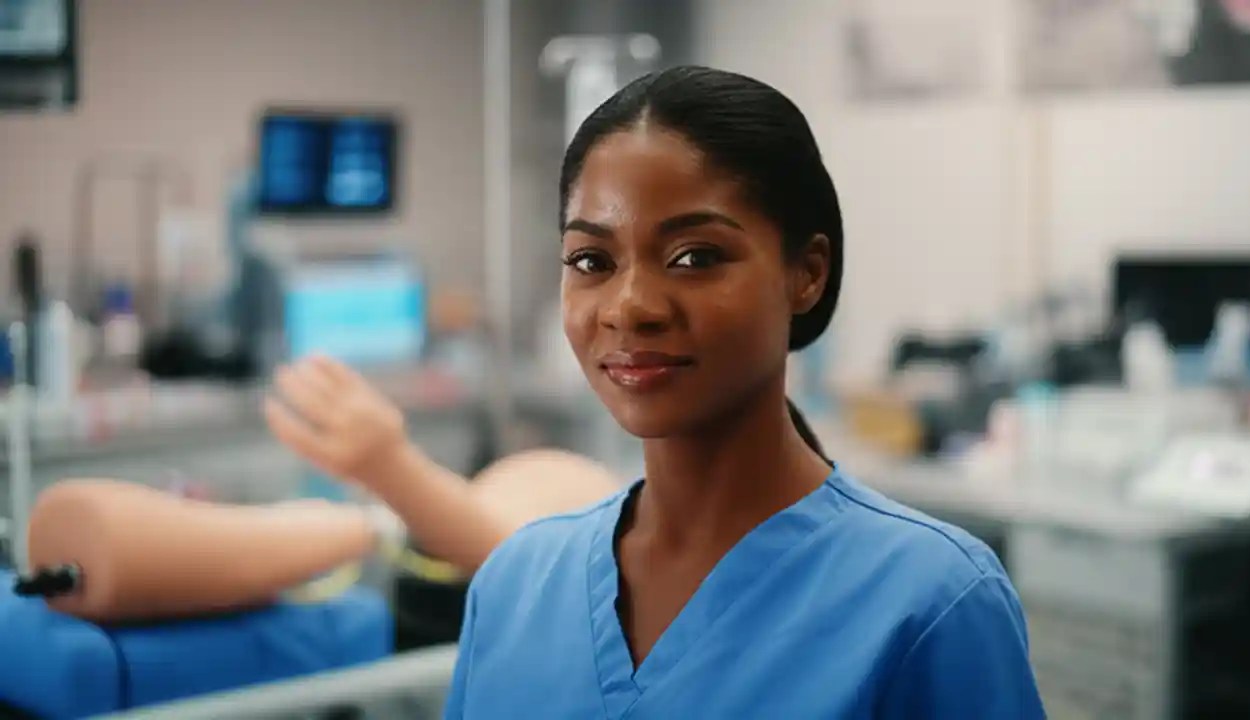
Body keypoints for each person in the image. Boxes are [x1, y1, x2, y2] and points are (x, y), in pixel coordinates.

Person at [274, 65, 1045, 718]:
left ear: (806, 272)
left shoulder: (930, 602)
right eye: (591, 261)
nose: (630, 305)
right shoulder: (517, 584)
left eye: (694, 255)